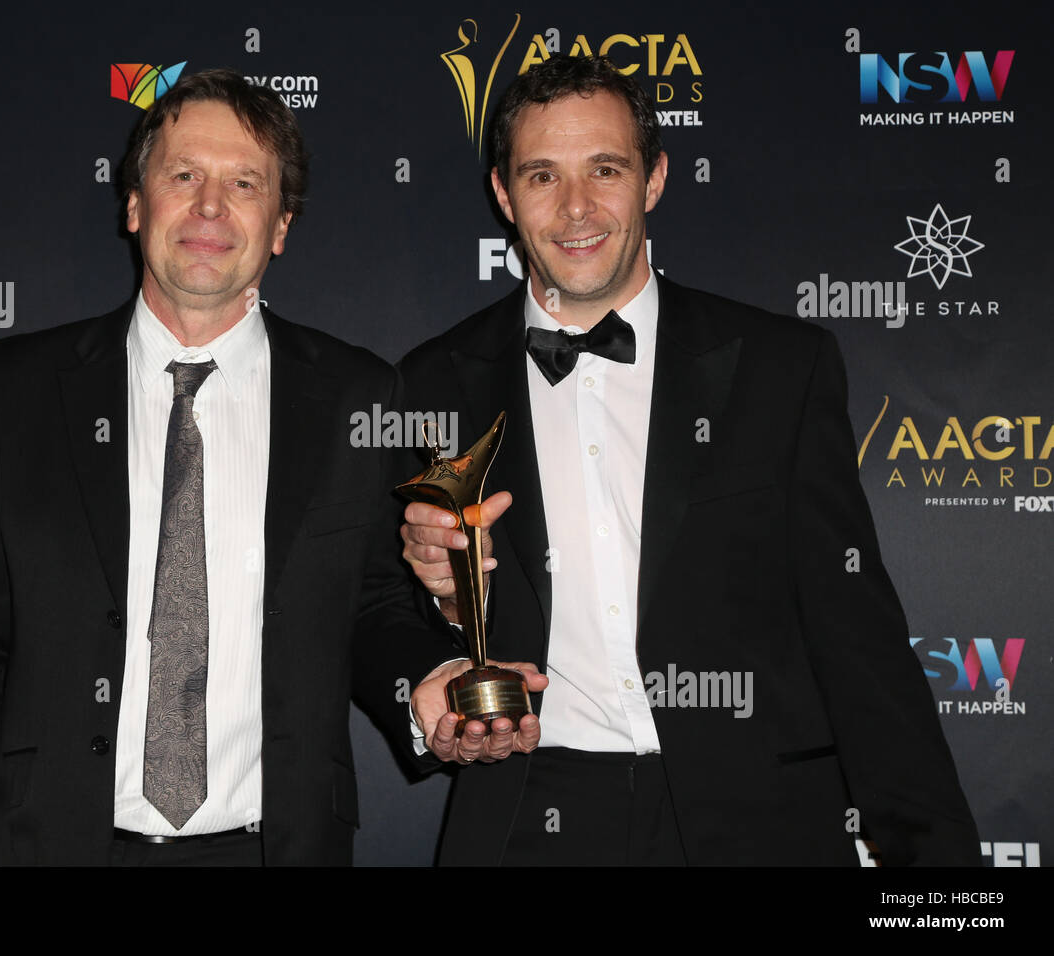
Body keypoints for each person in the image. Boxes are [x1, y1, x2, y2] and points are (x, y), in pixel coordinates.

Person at [367, 55, 980, 865]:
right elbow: (383, 613)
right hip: (530, 815)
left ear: (653, 179)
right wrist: (447, 618)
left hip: (759, 819)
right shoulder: (432, 379)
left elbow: (855, 635)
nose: (577, 207)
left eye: (606, 169)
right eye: (543, 175)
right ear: (503, 194)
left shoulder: (777, 368)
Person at [0, 69, 398, 865]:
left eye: (245, 183)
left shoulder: (360, 397)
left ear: (281, 225)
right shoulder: (13, 389)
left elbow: (377, 612)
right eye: (184, 175)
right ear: (135, 205)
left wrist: (434, 686)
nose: (210, 206)